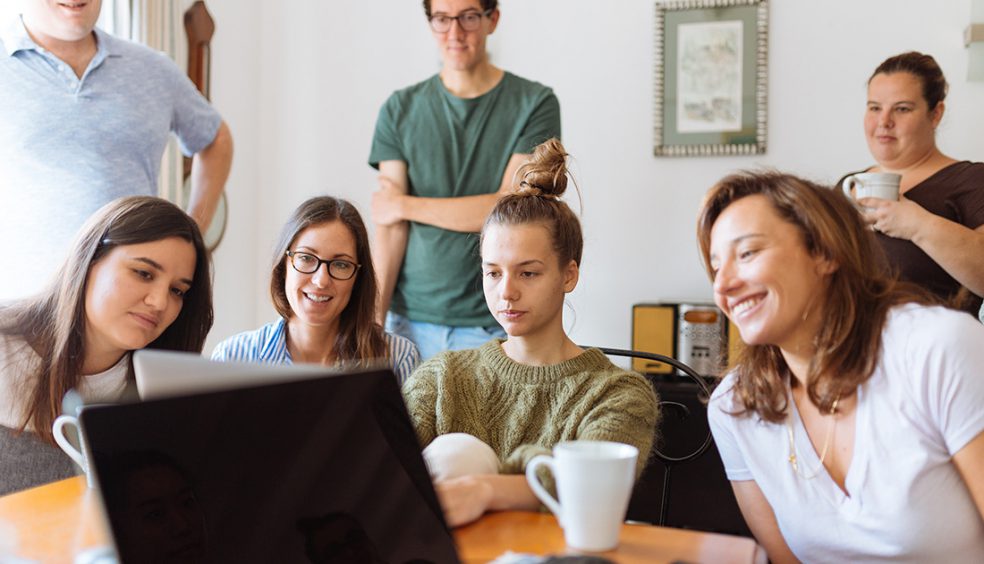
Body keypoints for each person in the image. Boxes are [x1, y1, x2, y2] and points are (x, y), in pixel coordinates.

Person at [698, 171, 984, 563]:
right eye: (716, 266)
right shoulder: (735, 407)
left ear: (825, 253)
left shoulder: (937, 348)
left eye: (747, 254)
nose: (723, 285)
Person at [402, 139, 659, 528]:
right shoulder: (440, 378)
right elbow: (379, 475)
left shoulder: (618, 393)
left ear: (568, 274)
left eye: (528, 272)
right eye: (493, 272)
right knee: (458, 453)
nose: (506, 292)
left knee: (462, 454)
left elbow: (593, 489)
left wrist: (485, 489)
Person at [0, 0, 234, 301]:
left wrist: (194, 233)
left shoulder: (152, 69)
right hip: (20, 308)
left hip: (135, 307)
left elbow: (217, 139)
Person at [368, 0, 561, 360]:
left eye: (469, 17)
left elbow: (508, 208)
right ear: (430, 23)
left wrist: (404, 205)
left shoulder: (536, 104)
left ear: (493, 19)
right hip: (406, 323)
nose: (455, 33)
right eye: (442, 19)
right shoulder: (399, 109)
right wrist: (373, 324)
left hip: (493, 320)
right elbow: (390, 227)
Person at [0, 196, 214, 495]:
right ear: (89, 260)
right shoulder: (5, 344)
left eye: (177, 290)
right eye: (143, 273)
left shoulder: (163, 386)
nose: (160, 302)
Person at [211, 197, 419, 384]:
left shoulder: (398, 358)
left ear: (358, 278)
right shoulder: (232, 358)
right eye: (306, 258)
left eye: (340, 264)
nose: (321, 281)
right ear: (284, 265)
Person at [838, 51, 984, 317]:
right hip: (853, 351)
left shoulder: (972, 180)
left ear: (936, 113)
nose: (884, 122)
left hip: (933, 353)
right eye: (874, 108)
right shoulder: (847, 186)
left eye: (902, 109)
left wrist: (917, 225)